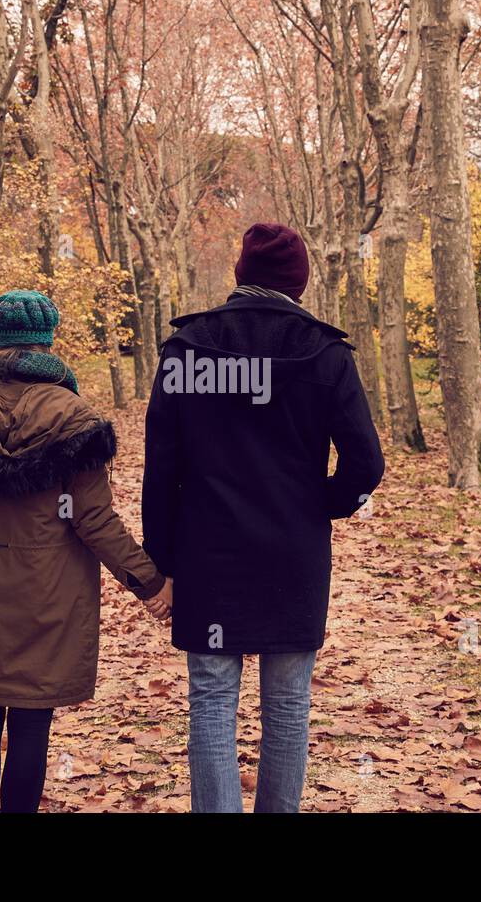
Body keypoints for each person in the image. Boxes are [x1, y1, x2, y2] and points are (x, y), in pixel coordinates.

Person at [142, 222, 385, 812]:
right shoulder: (325, 354)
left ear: (240, 275)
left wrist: (163, 563)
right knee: (287, 705)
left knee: (211, 700)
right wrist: (317, 506)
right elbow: (366, 465)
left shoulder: (187, 349)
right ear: (299, 282)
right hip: (292, 555)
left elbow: (160, 470)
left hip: (208, 555)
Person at [0, 290, 172, 813]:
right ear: (48, 343)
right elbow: (93, 519)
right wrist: (152, 583)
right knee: (31, 719)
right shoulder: (77, 420)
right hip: (47, 591)